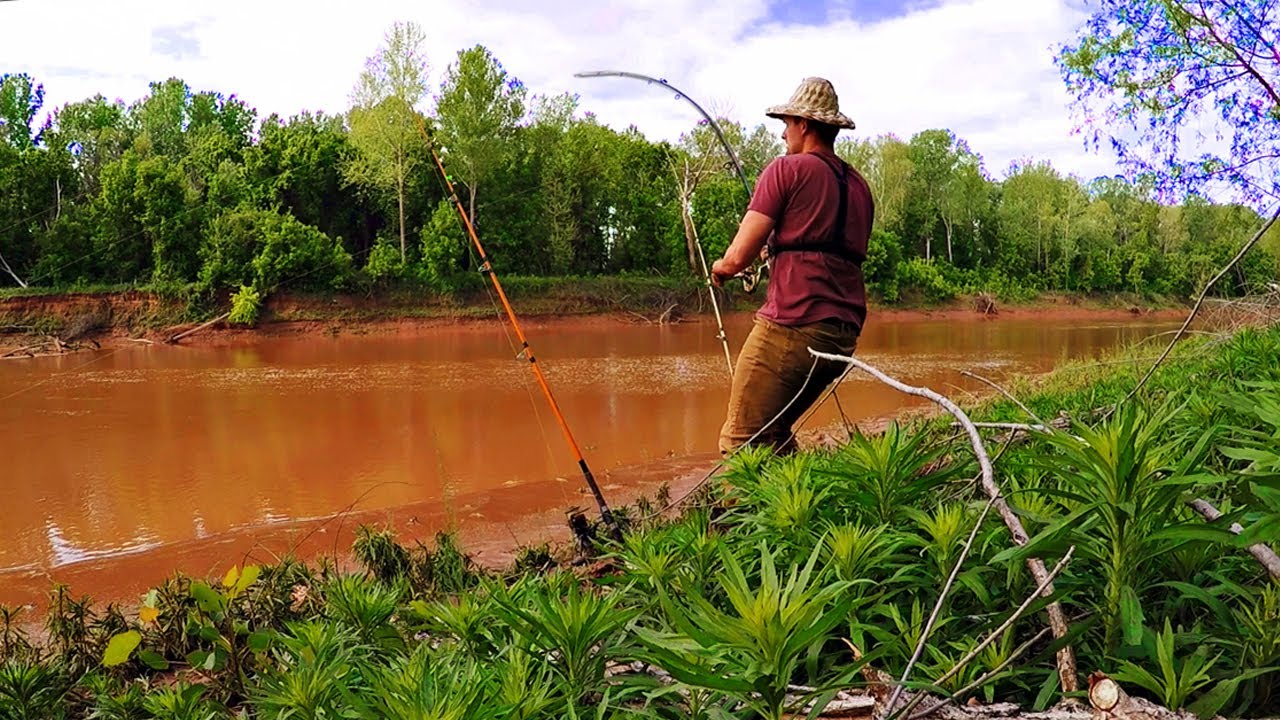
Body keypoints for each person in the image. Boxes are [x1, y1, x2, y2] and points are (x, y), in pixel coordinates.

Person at [711, 77, 874, 455]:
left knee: (740, 440)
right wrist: (778, 249)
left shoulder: (785, 170)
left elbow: (737, 258)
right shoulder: (860, 186)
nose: (783, 134)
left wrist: (720, 268)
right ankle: (797, 508)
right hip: (843, 335)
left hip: (794, 325)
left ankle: (743, 514)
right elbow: (828, 246)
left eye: (787, 124)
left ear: (804, 124)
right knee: (772, 430)